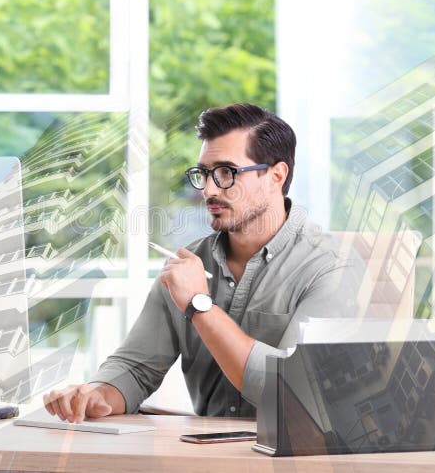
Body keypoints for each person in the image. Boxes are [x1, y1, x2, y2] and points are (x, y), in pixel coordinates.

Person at [43, 102, 361, 422]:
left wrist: (200, 305)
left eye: (226, 173)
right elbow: (135, 369)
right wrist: (94, 394)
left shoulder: (331, 268)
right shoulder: (189, 264)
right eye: (204, 174)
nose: (208, 189)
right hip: (202, 455)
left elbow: (298, 395)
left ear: (276, 176)